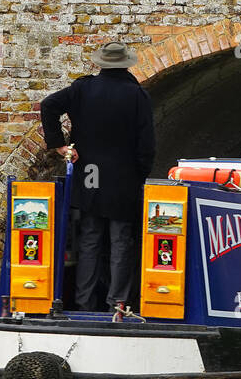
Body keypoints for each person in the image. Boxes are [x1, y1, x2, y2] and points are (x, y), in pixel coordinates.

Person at [40, 40, 155, 319]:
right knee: (121, 241)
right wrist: (140, 174)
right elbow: (146, 145)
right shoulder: (137, 95)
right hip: (123, 179)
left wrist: (60, 146)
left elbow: (48, 105)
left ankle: (83, 304)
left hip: (89, 175)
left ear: (101, 63)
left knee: (90, 239)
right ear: (127, 64)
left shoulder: (83, 88)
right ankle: (117, 305)